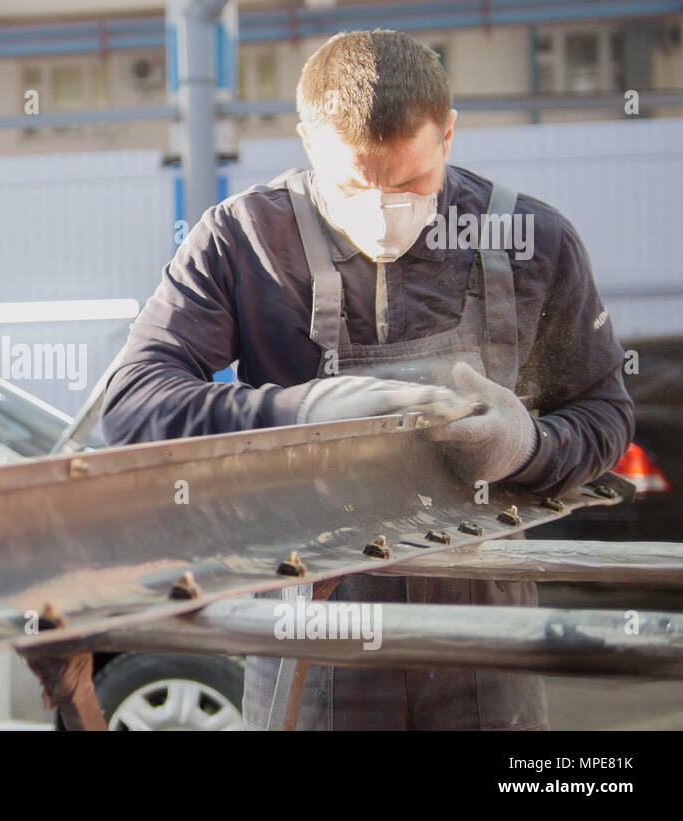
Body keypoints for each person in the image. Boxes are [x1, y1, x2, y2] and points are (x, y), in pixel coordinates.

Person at [100, 29, 634, 730]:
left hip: (483, 643)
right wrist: (301, 411)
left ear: (448, 135)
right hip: (311, 634)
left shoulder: (533, 241)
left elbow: (605, 414)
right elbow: (133, 405)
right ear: (307, 142)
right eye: (353, 184)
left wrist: (526, 447)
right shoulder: (246, 239)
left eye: (411, 182)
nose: (384, 208)